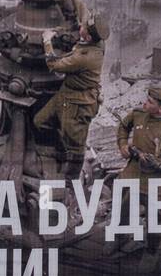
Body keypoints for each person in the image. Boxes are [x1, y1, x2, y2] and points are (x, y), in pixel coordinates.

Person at [35, 13, 108, 179]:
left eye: (82, 27)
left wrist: (47, 40)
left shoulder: (84, 58)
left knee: (76, 145)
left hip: (79, 102)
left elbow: (53, 64)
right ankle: (60, 151)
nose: (79, 27)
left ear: (88, 36)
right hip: (66, 94)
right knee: (40, 121)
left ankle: (71, 179)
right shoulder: (97, 42)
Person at [117, 85, 161, 186]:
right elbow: (124, 126)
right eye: (147, 99)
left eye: (150, 102)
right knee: (121, 198)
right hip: (132, 174)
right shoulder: (138, 114)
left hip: (157, 182)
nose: (145, 103)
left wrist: (158, 163)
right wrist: (123, 144)